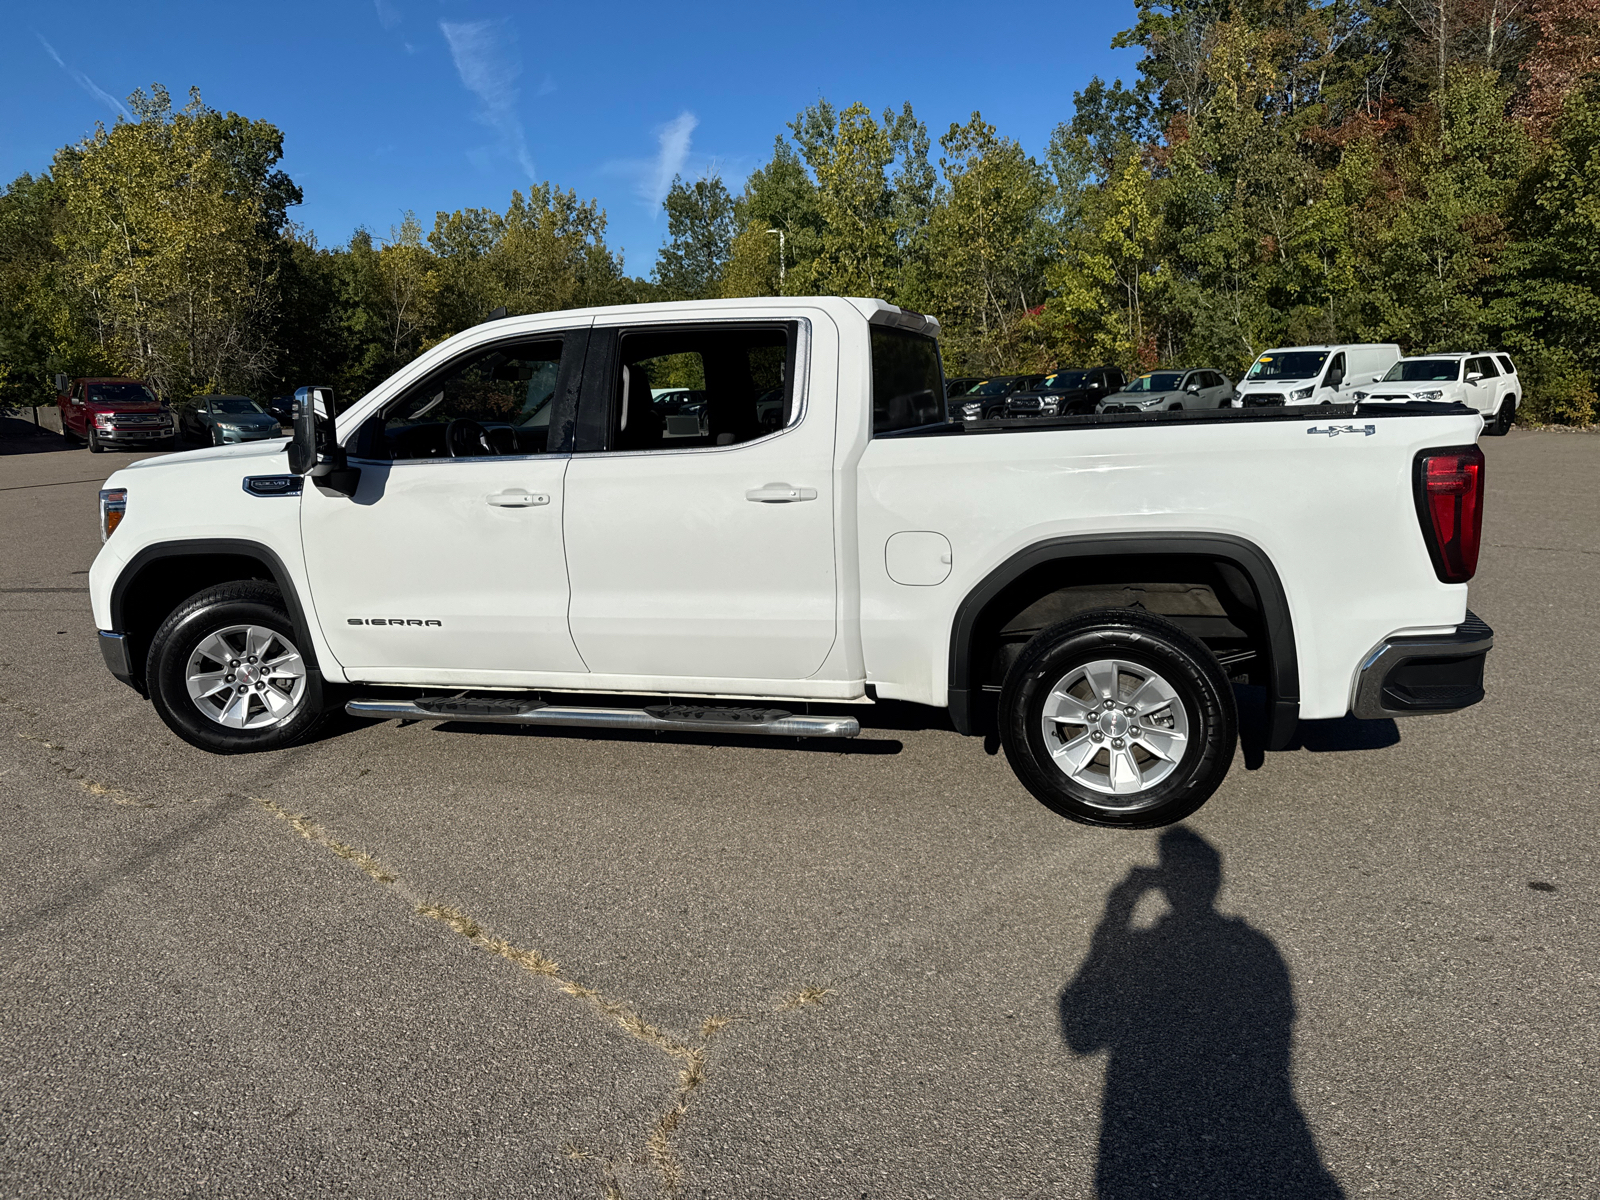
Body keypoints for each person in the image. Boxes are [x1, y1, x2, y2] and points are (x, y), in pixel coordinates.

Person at [1061, 827, 1344, 1199]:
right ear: (1216, 882)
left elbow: (1081, 1032)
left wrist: (1118, 911)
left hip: (1148, 1141)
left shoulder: (1141, 954)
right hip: (1253, 1136)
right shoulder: (1255, 952)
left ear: (1162, 887)